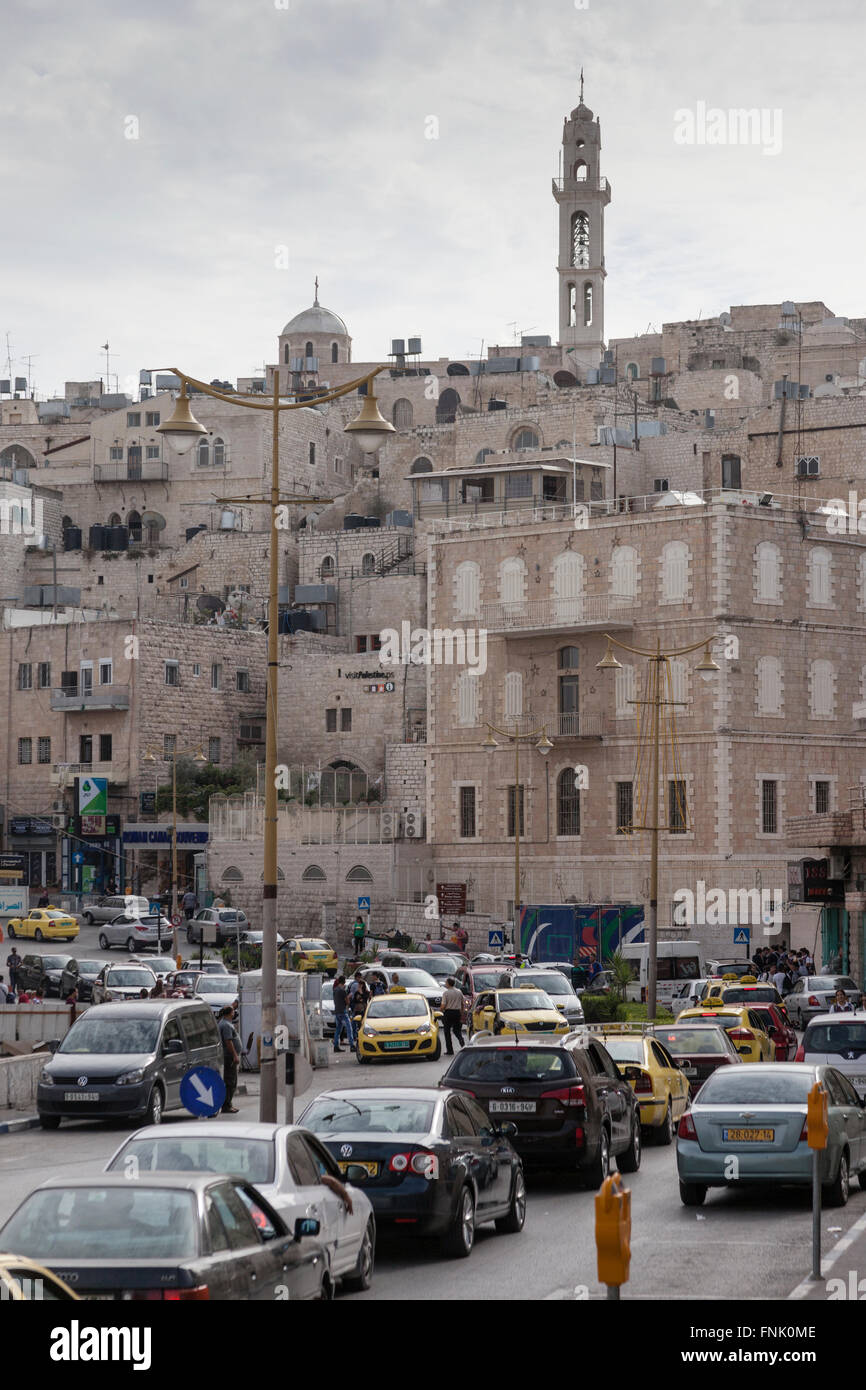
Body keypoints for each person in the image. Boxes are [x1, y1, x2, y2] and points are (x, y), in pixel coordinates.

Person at [218, 1005, 241, 1112]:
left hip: (229, 1056)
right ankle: (227, 1105)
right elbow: (228, 1042)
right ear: (229, 1013)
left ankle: (228, 1104)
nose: (234, 1013)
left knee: (231, 1081)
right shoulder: (226, 1025)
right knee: (230, 1081)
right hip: (229, 1057)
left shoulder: (225, 1023)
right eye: (233, 1012)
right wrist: (235, 1055)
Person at [440, 977, 465, 1056]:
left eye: (446, 982)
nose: (445, 984)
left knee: (447, 1032)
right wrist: (461, 1013)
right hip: (457, 1013)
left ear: (448, 983)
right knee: (457, 1030)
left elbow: (443, 1005)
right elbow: (462, 1004)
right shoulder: (459, 992)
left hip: (448, 1013)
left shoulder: (446, 993)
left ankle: (450, 1050)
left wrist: (440, 1010)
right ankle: (462, 1043)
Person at [332, 976, 353, 1053]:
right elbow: (347, 1002)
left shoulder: (335, 990)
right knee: (349, 1027)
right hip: (343, 1011)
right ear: (344, 982)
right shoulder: (342, 991)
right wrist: (349, 996)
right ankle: (352, 1045)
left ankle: (336, 1046)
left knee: (338, 1029)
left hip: (337, 1011)